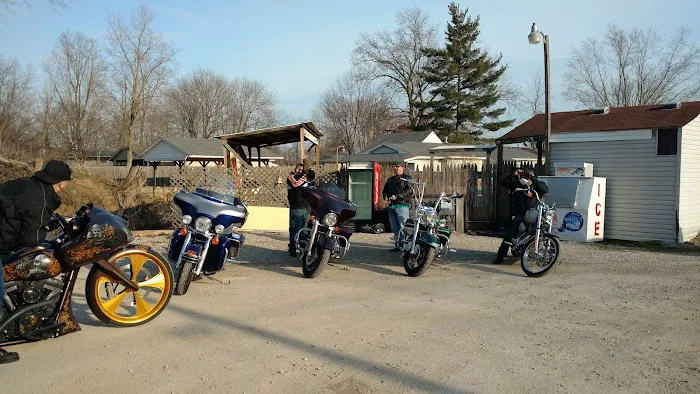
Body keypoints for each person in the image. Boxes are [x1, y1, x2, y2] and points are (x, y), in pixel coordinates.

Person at [0, 160, 72, 364]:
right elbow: (30, 240)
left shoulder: (27, 184)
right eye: (66, 183)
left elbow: (19, 214)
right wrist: (46, 231)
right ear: (61, 183)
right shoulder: (41, 198)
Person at [493, 167, 548, 264]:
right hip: (520, 214)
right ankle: (500, 255)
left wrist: (533, 179)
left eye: (528, 176)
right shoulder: (517, 185)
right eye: (525, 176)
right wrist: (514, 175)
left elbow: (545, 190)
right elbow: (503, 182)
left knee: (544, 228)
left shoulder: (537, 185)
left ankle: (547, 254)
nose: (526, 178)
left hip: (534, 214)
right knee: (511, 232)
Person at [382, 163, 414, 252]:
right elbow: (385, 190)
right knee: (394, 227)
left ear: (402, 168)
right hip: (391, 206)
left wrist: (397, 196)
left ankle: (405, 245)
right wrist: (385, 197)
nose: (395, 168)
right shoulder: (390, 179)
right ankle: (398, 245)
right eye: (395, 167)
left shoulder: (407, 178)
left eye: (397, 167)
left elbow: (410, 190)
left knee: (403, 226)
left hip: (402, 205)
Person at [286, 162, 310, 257]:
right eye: (297, 168)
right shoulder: (291, 177)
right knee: (294, 228)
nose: (297, 171)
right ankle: (292, 248)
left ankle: (303, 248)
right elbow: (296, 184)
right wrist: (305, 178)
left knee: (305, 229)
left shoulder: (306, 178)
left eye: (300, 170)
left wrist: (308, 175)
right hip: (296, 207)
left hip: (306, 206)